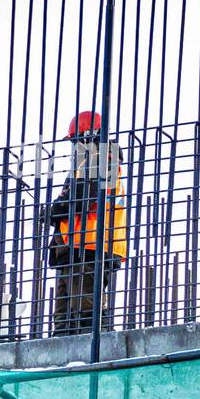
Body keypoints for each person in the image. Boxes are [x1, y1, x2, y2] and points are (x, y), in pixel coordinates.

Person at [47, 111, 128, 336]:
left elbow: (83, 197)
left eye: (75, 141)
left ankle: (90, 355)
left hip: (90, 247)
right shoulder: (89, 162)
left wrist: (55, 208)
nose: (73, 147)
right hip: (77, 247)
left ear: (87, 137)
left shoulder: (102, 159)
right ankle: (65, 357)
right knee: (65, 318)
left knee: (85, 313)